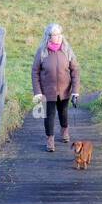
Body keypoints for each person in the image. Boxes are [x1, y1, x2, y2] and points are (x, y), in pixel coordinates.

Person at [31, 22, 80, 152]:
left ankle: (64, 131)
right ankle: (50, 139)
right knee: (49, 115)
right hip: (47, 91)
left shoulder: (67, 50)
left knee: (63, 112)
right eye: (55, 35)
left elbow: (75, 71)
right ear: (48, 36)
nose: (58, 37)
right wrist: (37, 92)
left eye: (59, 34)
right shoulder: (42, 52)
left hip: (64, 90)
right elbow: (35, 71)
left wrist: (75, 92)